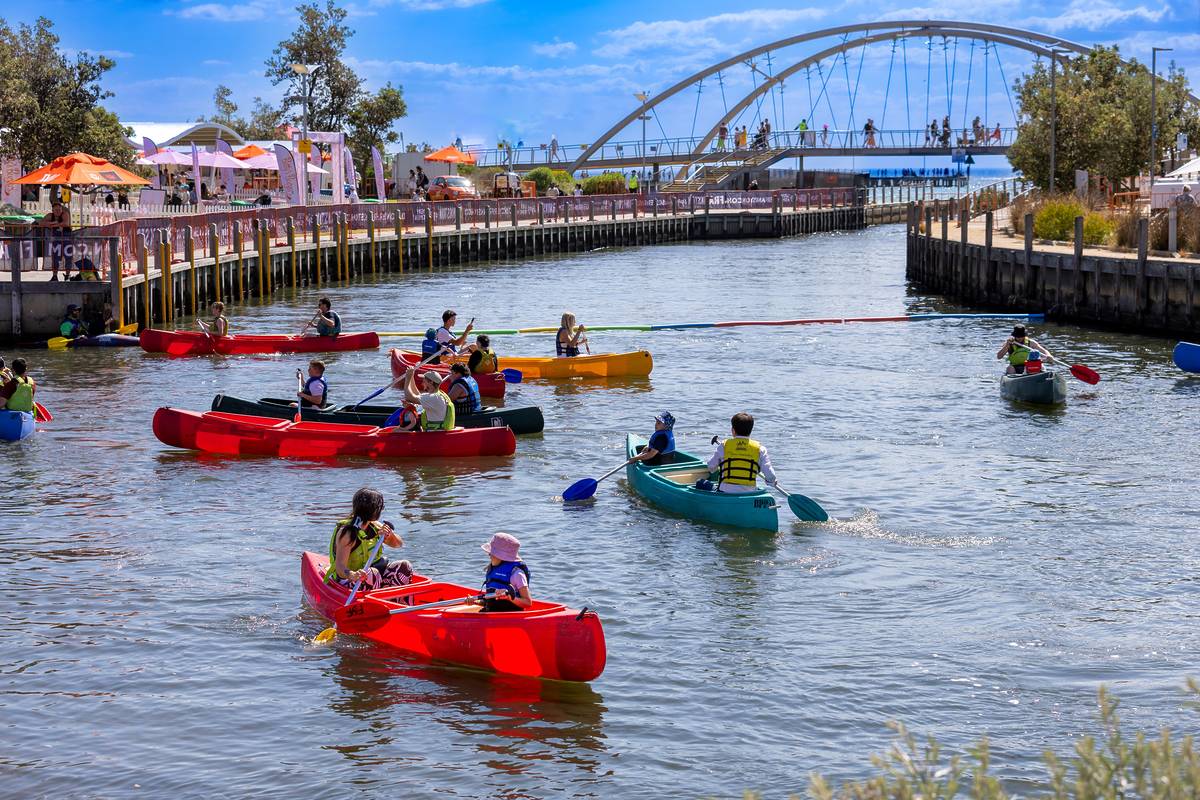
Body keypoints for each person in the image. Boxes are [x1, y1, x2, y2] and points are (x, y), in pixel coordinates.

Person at [324, 488, 413, 591]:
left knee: (405, 566)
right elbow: (340, 567)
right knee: (372, 574)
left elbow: (399, 544)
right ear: (373, 510)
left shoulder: (375, 527)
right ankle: (372, 603)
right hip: (348, 581)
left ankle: (394, 600)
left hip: (371, 576)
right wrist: (353, 575)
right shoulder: (348, 533)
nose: (382, 510)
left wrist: (390, 536)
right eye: (380, 507)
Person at [704, 412, 778, 494]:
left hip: (725, 492)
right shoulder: (760, 449)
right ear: (751, 430)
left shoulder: (724, 445)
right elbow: (770, 476)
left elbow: (711, 467)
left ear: (733, 430)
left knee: (700, 483)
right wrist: (771, 481)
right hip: (749, 493)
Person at [472, 532, 532, 613]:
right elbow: (489, 602)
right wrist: (475, 602)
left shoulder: (517, 574)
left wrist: (509, 598)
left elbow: (527, 603)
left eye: (491, 553)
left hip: (509, 617)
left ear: (502, 557)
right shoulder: (491, 569)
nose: (489, 554)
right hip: (491, 614)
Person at [39, 200, 72, 281]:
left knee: (68, 257)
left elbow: (66, 223)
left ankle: (67, 275)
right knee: (55, 258)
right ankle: (54, 276)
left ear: (62, 209)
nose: (58, 211)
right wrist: (54, 223)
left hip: (67, 238)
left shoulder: (65, 214)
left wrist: (53, 224)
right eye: (56, 210)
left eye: (59, 210)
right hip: (56, 239)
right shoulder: (50, 216)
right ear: (52, 210)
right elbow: (41, 223)